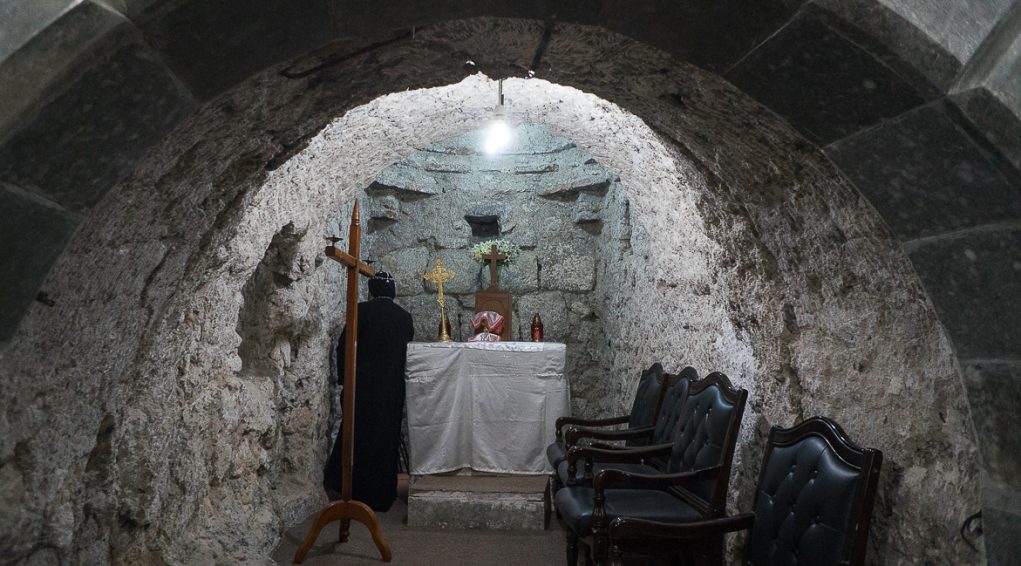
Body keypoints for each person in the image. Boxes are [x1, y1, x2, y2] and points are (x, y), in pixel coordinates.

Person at [323, 271, 414, 511]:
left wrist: (344, 380)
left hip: (361, 388)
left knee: (358, 437)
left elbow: (344, 347)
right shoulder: (404, 317)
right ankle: (382, 495)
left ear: (371, 291)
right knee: (385, 439)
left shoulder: (360, 311)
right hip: (391, 390)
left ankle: (353, 492)